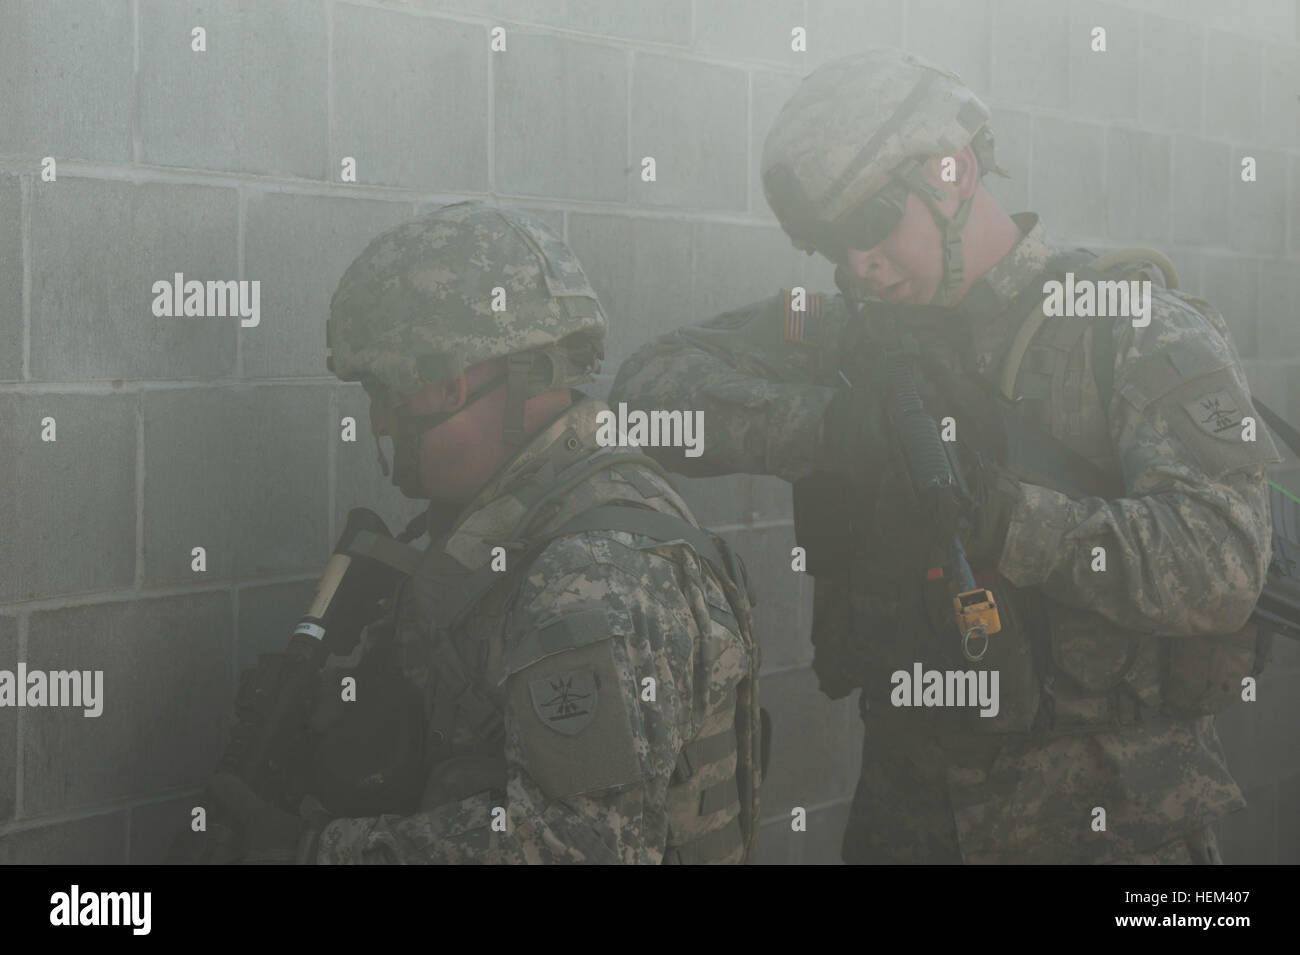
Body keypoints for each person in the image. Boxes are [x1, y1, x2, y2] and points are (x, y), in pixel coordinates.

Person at [609, 49, 1279, 864]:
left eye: (870, 224)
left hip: (1116, 830)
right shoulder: (849, 332)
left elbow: (1224, 562)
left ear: (952, 173)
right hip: (910, 819)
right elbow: (644, 396)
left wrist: (1010, 519)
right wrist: (832, 428)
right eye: (831, 245)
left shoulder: (1127, 328)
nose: (857, 264)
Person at [220, 201, 760, 864]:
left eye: (404, 389)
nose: (385, 421)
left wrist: (314, 853)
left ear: (505, 376)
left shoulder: (595, 572)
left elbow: (576, 848)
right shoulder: (515, 521)